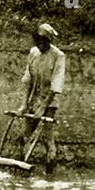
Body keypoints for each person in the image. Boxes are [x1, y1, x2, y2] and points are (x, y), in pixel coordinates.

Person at [17, 23, 65, 175]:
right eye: (38, 42)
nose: (41, 45)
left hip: (48, 103)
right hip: (33, 100)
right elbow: (28, 79)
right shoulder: (33, 53)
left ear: (49, 41)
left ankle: (49, 172)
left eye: (44, 42)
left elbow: (56, 84)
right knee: (25, 134)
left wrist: (43, 107)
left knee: (46, 139)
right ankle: (21, 168)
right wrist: (24, 104)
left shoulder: (58, 56)